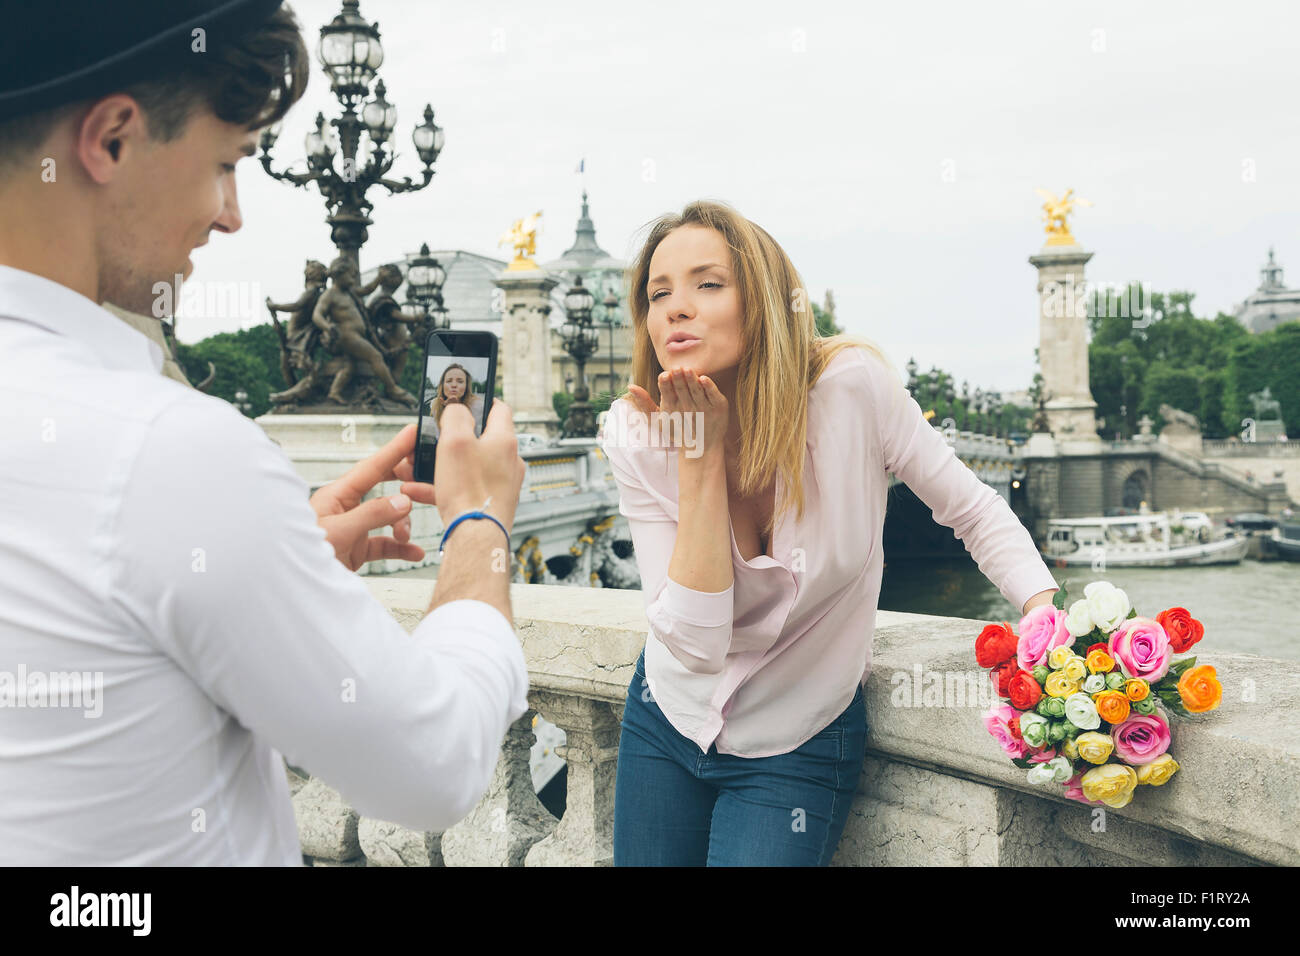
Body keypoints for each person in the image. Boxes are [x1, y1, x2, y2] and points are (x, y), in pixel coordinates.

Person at [0, 0, 527, 864]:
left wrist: (266, 560)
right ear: (113, 140)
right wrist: (479, 527)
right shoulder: (170, 453)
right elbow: (433, 768)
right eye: (225, 163)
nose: (231, 214)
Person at [600, 200, 1059, 866]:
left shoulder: (853, 392)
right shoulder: (636, 433)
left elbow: (971, 509)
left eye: (708, 283)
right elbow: (697, 644)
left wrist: (1044, 612)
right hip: (665, 718)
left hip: (797, 743)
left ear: (761, 301)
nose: (676, 307)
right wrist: (698, 463)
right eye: (658, 292)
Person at [424, 363, 486, 441]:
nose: (454, 385)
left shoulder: (477, 406)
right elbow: (440, 436)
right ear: (442, 385)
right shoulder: (436, 404)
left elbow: (465, 438)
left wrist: (454, 410)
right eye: (449, 381)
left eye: (460, 382)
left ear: (466, 386)